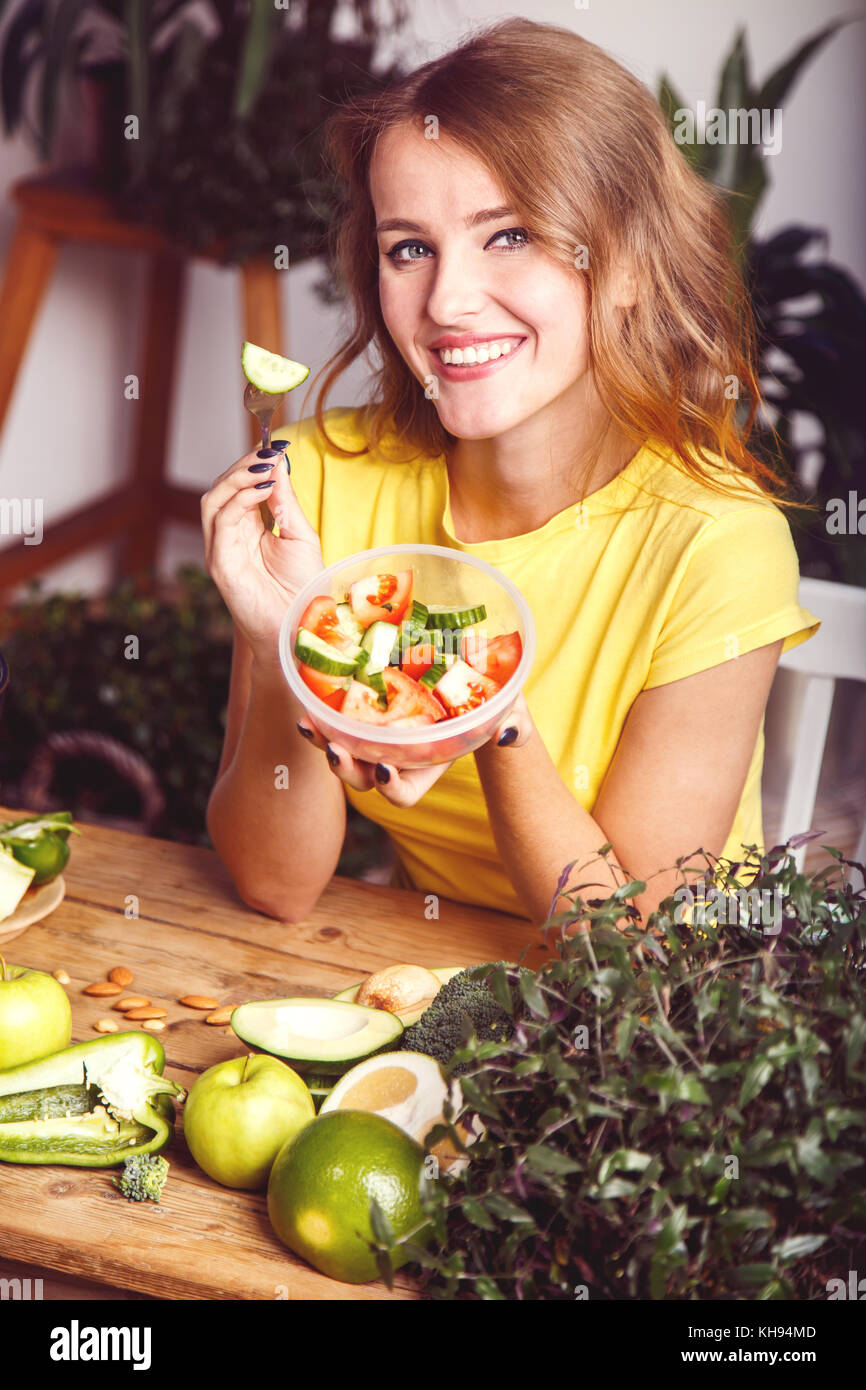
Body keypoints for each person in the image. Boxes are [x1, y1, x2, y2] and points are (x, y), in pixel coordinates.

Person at [202, 17, 820, 931]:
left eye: (511, 235)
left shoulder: (718, 545)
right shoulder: (314, 484)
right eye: (410, 248)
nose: (448, 302)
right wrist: (281, 648)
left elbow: (631, 945)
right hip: (421, 976)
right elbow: (274, 885)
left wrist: (492, 716)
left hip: (655, 1005)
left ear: (628, 266)